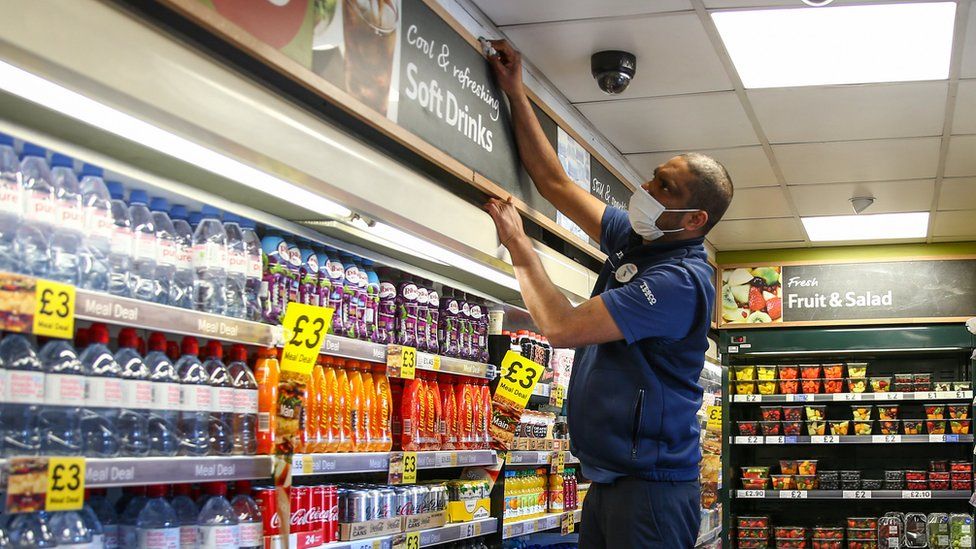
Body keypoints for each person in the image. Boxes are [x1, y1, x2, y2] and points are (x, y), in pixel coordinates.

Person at [484, 40, 734, 549]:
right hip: (612, 483)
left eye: (663, 187)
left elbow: (560, 328)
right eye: (654, 176)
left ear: (693, 220)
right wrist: (516, 90)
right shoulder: (638, 239)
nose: (646, 187)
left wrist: (518, 245)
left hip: (653, 494)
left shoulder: (680, 283)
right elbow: (554, 182)